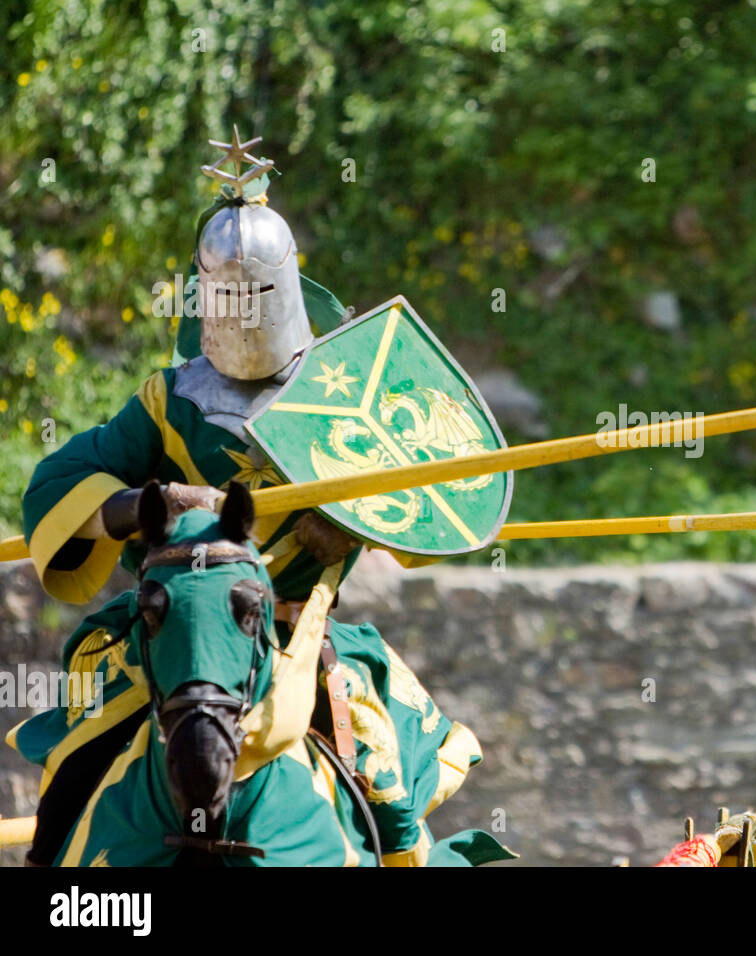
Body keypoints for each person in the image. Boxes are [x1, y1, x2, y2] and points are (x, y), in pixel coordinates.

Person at [8, 129, 506, 866]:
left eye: (258, 292)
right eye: (227, 293)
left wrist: (349, 526)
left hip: (295, 629)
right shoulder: (169, 400)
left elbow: (422, 503)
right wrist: (152, 499)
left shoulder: (348, 392)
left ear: (290, 287)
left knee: (381, 770)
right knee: (81, 752)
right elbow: (55, 486)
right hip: (178, 622)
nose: (243, 309)